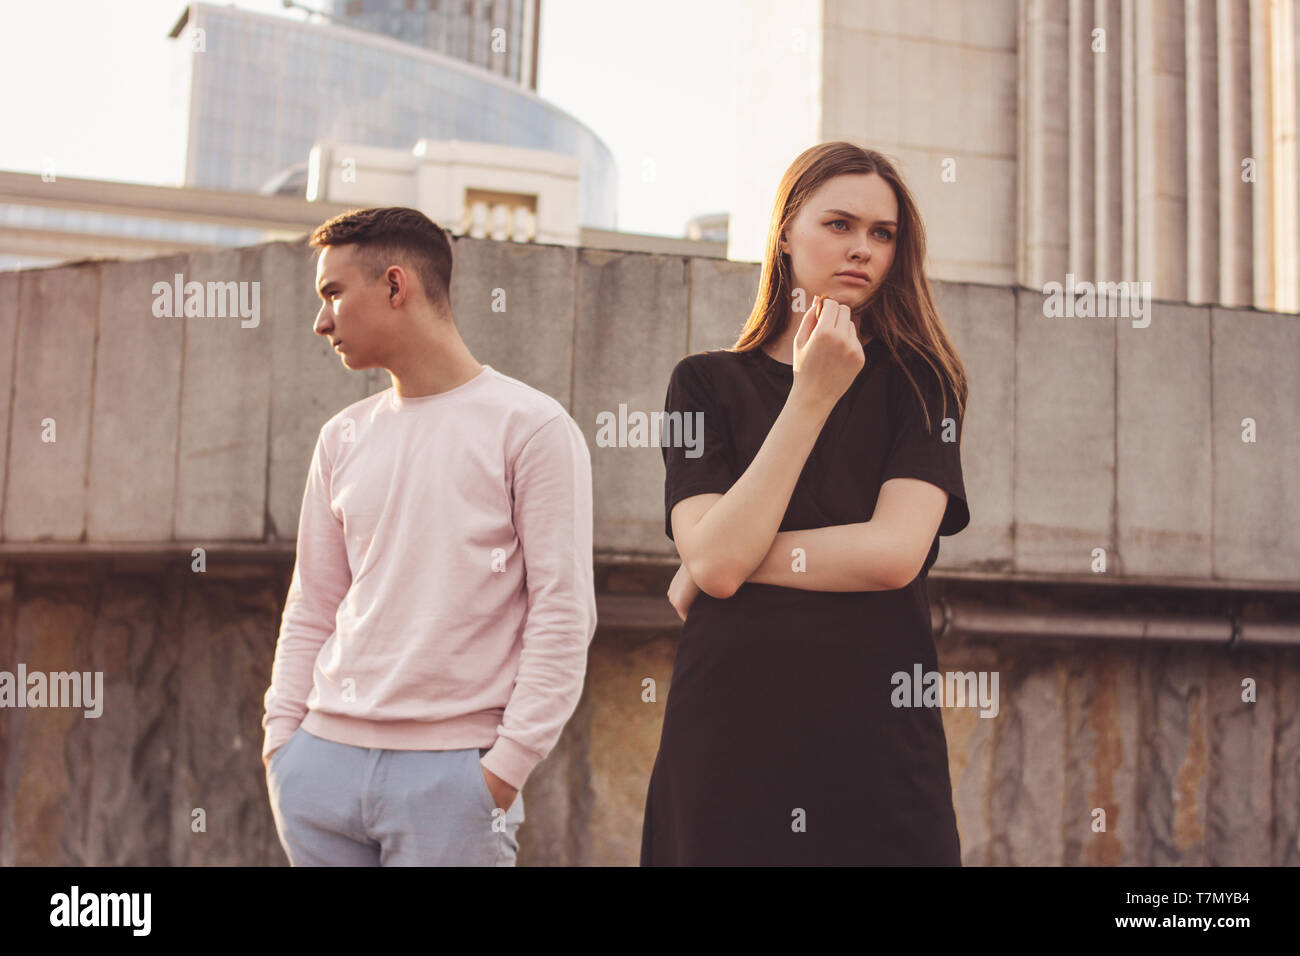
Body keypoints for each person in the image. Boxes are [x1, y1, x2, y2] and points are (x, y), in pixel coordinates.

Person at [641, 142, 971, 866]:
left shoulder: (923, 383)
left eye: (882, 234)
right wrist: (813, 392)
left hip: (878, 740)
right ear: (786, 232)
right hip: (728, 734)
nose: (862, 249)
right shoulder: (702, 384)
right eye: (840, 224)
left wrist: (713, 560)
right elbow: (719, 560)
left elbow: (892, 556)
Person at [261, 206, 596, 866]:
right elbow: (312, 606)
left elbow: (563, 612)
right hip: (320, 768)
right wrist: (283, 744)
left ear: (394, 285)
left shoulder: (531, 427)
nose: (320, 320)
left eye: (333, 293)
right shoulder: (342, 437)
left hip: (453, 778)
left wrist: (503, 771)